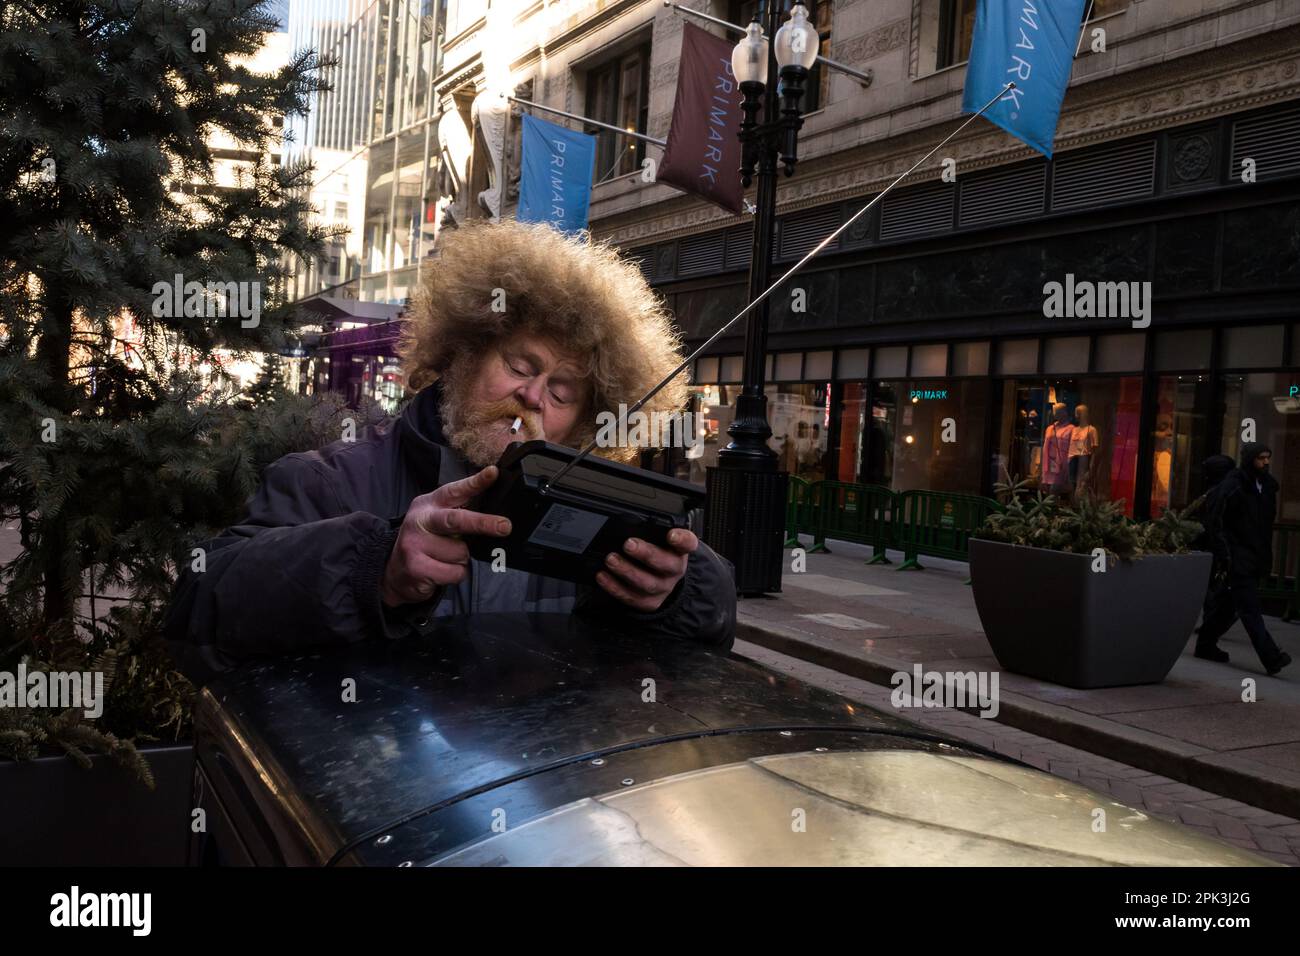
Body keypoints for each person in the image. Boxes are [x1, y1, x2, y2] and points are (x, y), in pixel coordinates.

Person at [164, 220, 738, 684]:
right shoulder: (325, 483)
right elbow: (198, 615)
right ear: (463, 353)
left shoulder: (596, 523)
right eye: (520, 365)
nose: (533, 396)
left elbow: (696, 660)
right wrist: (376, 568)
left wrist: (673, 595)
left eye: (562, 392)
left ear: (583, 422)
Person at [1194, 442, 1292, 675]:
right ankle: (1271, 657)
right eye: (1261, 458)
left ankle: (1205, 644)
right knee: (1249, 608)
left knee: (1230, 604)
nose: (1266, 462)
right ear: (1250, 460)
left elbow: (1264, 526)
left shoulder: (1267, 487)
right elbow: (1216, 522)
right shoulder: (1234, 485)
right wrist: (1225, 554)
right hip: (1238, 555)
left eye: (1268, 457)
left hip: (1254, 554)